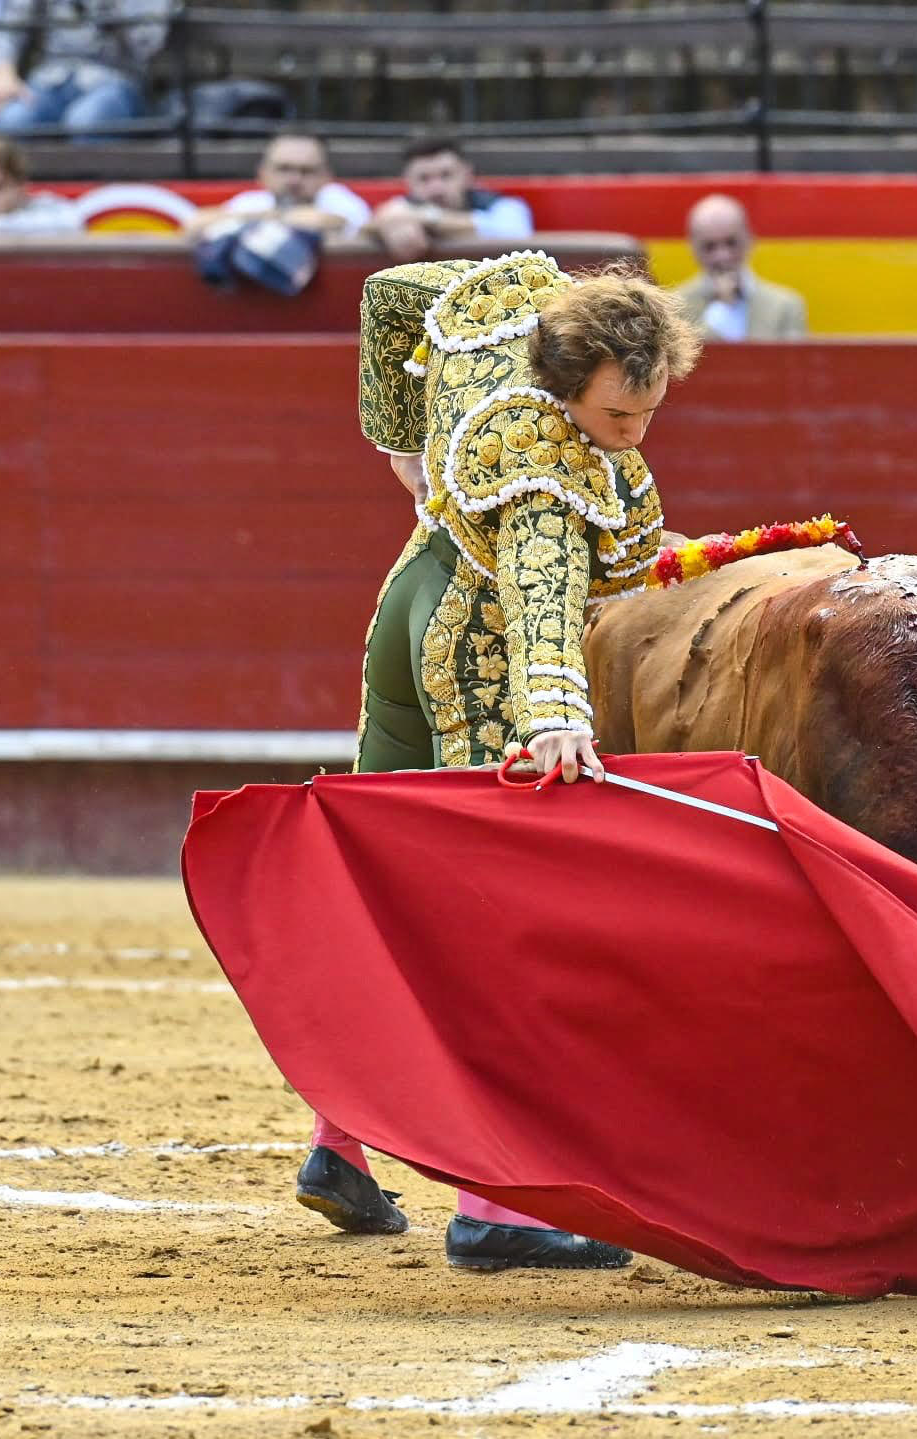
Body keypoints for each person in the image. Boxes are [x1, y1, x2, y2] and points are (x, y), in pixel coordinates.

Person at [292, 252, 702, 1270]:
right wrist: (555, 713)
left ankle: (338, 1142)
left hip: (408, 604)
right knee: (486, 918)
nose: (633, 433)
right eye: (616, 414)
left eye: (648, 410)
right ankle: (495, 1204)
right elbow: (541, 590)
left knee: (382, 884)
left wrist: (401, 445)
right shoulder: (550, 465)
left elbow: (391, 295)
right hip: (475, 655)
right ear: (566, 382)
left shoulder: (512, 314)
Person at [0, 0, 164, 138]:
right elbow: (7, 31)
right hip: (50, 79)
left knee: (86, 121)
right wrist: (2, 73)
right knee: (12, 121)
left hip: (118, 80)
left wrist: (114, 9)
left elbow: (150, 47)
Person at [367, 135, 534, 262]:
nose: (436, 188)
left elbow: (514, 231)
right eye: (424, 179)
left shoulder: (503, 206)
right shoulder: (397, 209)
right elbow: (369, 222)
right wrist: (387, 225)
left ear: (467, 174)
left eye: (446, 175)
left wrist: (427, 217)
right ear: (407, 181)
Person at [186, 131, 370, 240]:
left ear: (326, 176)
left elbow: (325, 222)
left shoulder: (340, 199)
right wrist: (268, 216)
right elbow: (194, 225)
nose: (294, 180)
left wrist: (251, 220)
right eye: (284, 169)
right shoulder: (252, 202)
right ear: (262, 174)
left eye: (307, 171)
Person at [672, 193, 808, 341]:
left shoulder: (785, 307)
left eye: (731, 243)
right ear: (693, 248)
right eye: (710, 247)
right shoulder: (675, 309)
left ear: (749, 238)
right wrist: (721, 312)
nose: (722, 256)